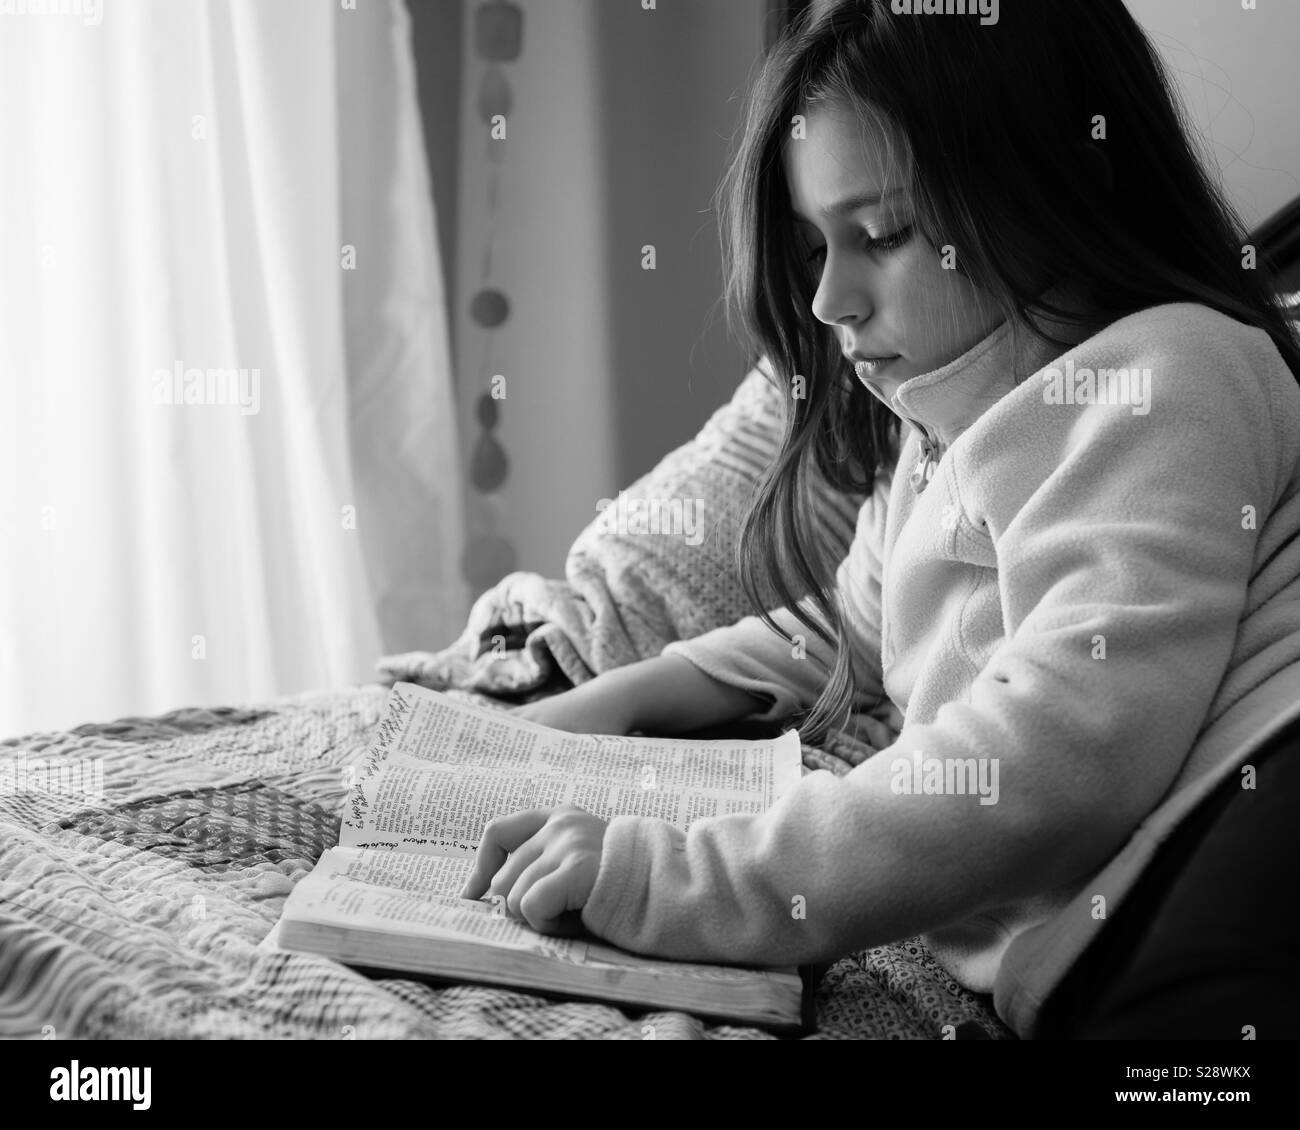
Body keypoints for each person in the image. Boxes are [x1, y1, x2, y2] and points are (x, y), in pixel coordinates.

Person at [460, 0, 1300, 1038]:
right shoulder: (942, 418)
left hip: (1245, 810)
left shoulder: (1167, 372)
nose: (826, 300)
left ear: (1046, 190)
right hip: (1121, 904)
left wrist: (674, 878)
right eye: (816, 244)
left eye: (883, 234)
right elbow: (850, 626)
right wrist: (609, 703)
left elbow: (1051, 751)